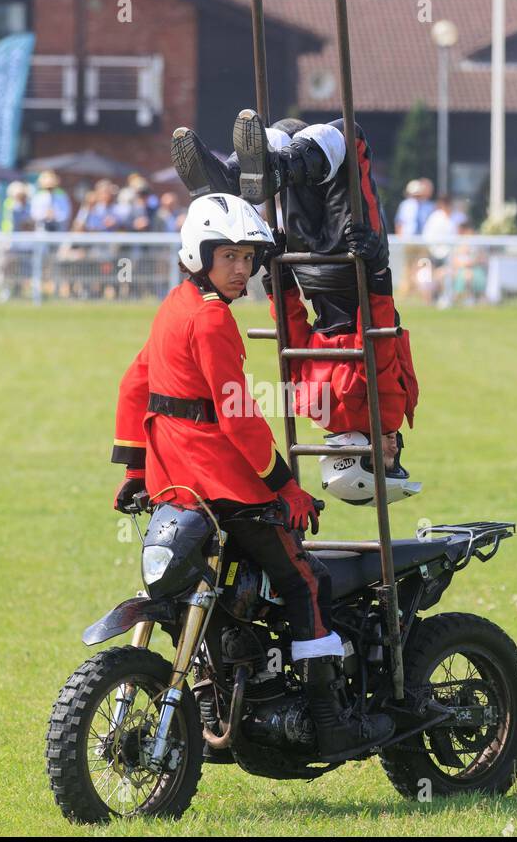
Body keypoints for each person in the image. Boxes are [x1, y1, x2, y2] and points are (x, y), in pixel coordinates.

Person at [110, 193, 394, 758]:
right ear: (200, 254)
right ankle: (327, 721)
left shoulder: (175, 305)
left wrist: (138, 468)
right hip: (224, 485)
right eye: (229, 257)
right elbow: (237, 415)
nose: (241, 269)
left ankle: (219, 708)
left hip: (177, 485)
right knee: (305, 582)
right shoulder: (212, 319)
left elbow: (133, 384)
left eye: (247, 257)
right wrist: (284, 485)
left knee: (212, 591)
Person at [169, 110, 420, 504]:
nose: (395, 447)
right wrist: (277, 276)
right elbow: (292, 334)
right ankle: (233, 177)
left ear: (365, 457)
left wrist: (376, 276)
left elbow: (380, 344)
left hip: (353, 268)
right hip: (305, 268)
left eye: (390, 459)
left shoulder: (383, 414)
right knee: (293, 139)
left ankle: (239, 176)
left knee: (349, 140)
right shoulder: (313, 407)